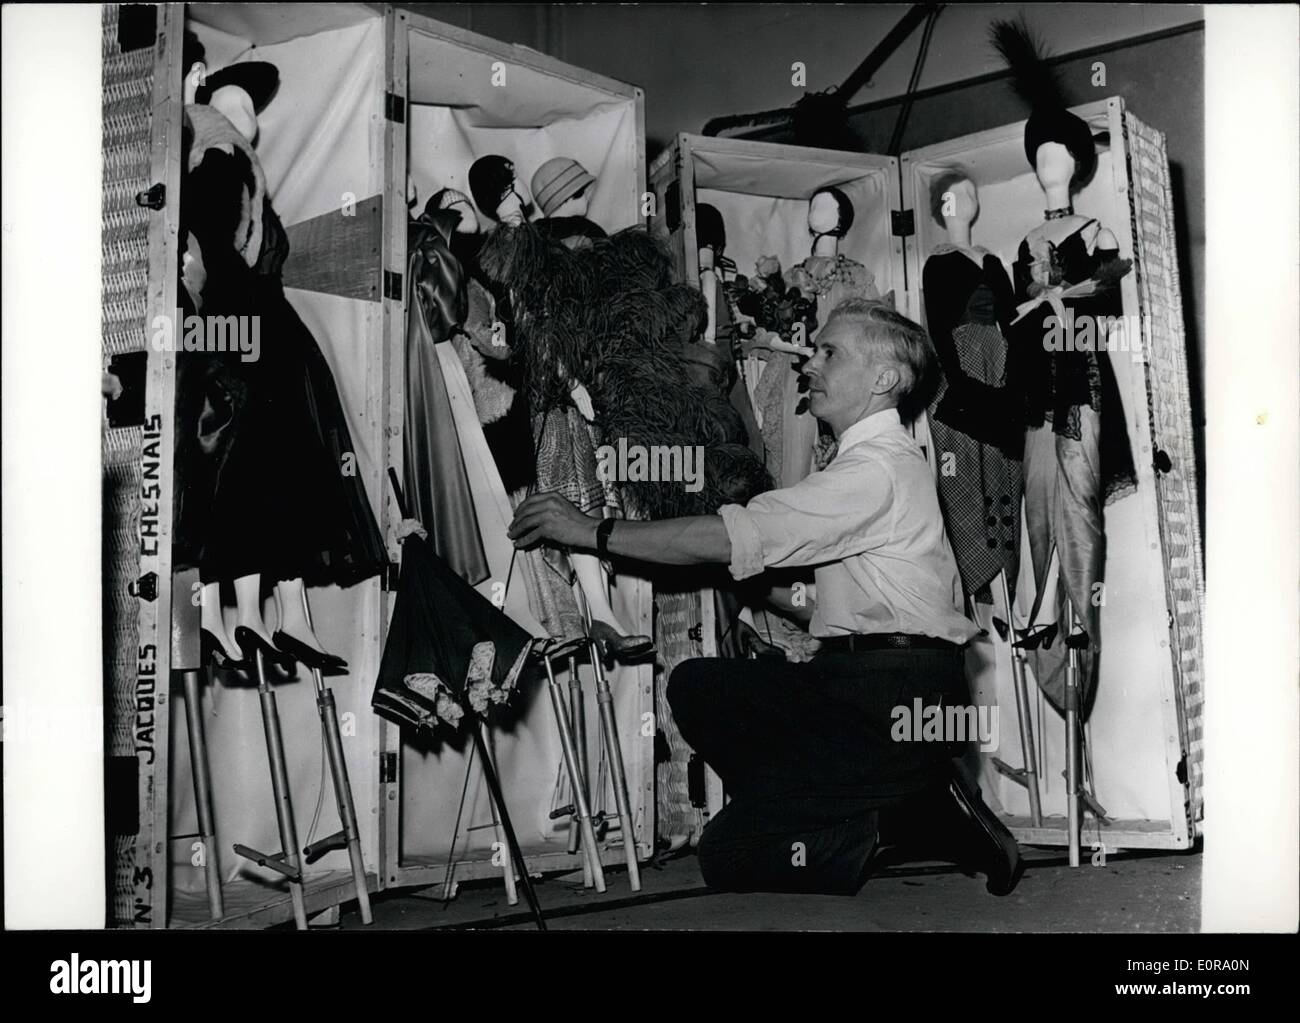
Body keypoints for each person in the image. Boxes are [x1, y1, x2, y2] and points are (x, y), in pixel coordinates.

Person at [508, 296, 1023, 896]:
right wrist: (751, 577)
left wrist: (589, 531)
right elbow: (826, 603)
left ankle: (902, 818)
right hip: (890, 691)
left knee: (731, 854)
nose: (811, 362)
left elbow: (732, 535)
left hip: (887, 698)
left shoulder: (873, 471)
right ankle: (864, 799)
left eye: (831, 352)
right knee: (702, 686)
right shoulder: (878, 466)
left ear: (884, 379)